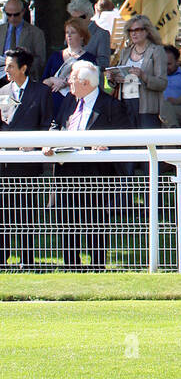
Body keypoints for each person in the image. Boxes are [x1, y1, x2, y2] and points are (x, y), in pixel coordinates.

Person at [43, 60, 133, 270]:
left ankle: (97, 266)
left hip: (96, 174)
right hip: (66, 170)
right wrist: (50, 141)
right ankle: (71, 266)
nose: (68, 82)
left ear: (85, 82)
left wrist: (106, 145)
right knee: (66, 221)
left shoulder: (111, 105)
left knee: (95, 222)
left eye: (72, 78)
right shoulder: (69, 101)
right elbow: (56, 125)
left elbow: (127, 136)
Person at [0, 48, 53, 267]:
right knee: (2, 215)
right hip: (3, 164)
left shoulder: (40, 92)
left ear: (23, 68)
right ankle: (2, 261)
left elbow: (48, 122)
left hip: (27, 165)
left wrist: (37, 144)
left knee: (25, 215)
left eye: (11, 66)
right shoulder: (2, 91)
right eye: (6, 66)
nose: (7, 70)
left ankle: (28, 261)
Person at [106, 16, 167, 131]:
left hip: (146, 106)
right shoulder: (125, 51)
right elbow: (118, 79)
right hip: (126, 103)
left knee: (148, 143)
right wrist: (113, 78)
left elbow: (162, 83)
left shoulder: (157, 51)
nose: (133, 34)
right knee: (130, 142)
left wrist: (143, 76)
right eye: (130, 30)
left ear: (147, 31)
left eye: (137, 30)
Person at [43, 19, 98, 110]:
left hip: (75, 105)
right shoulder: (55, 56)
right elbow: (43, 83)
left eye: (73, 32)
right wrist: (53, 80)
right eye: (67, 32)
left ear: (82, 36)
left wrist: (67, 83)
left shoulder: (89, 59)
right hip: (52, 104)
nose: (69, 35)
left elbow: (92, 85)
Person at [1, 0, 46, 82]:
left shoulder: (35, 33)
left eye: (16, 14)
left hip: (24, 77)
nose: (12, 18)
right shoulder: (1, 30)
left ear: (23, 12)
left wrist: (22, 66)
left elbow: (40, 60)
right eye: (9, 14)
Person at [66, 0, 111, 72]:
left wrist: (80, 64)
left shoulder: (102, 34)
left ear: (90, 15)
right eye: (74, 19)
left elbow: (104, 63)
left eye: (81, 17)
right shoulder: (70, 33)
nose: (77, 22)